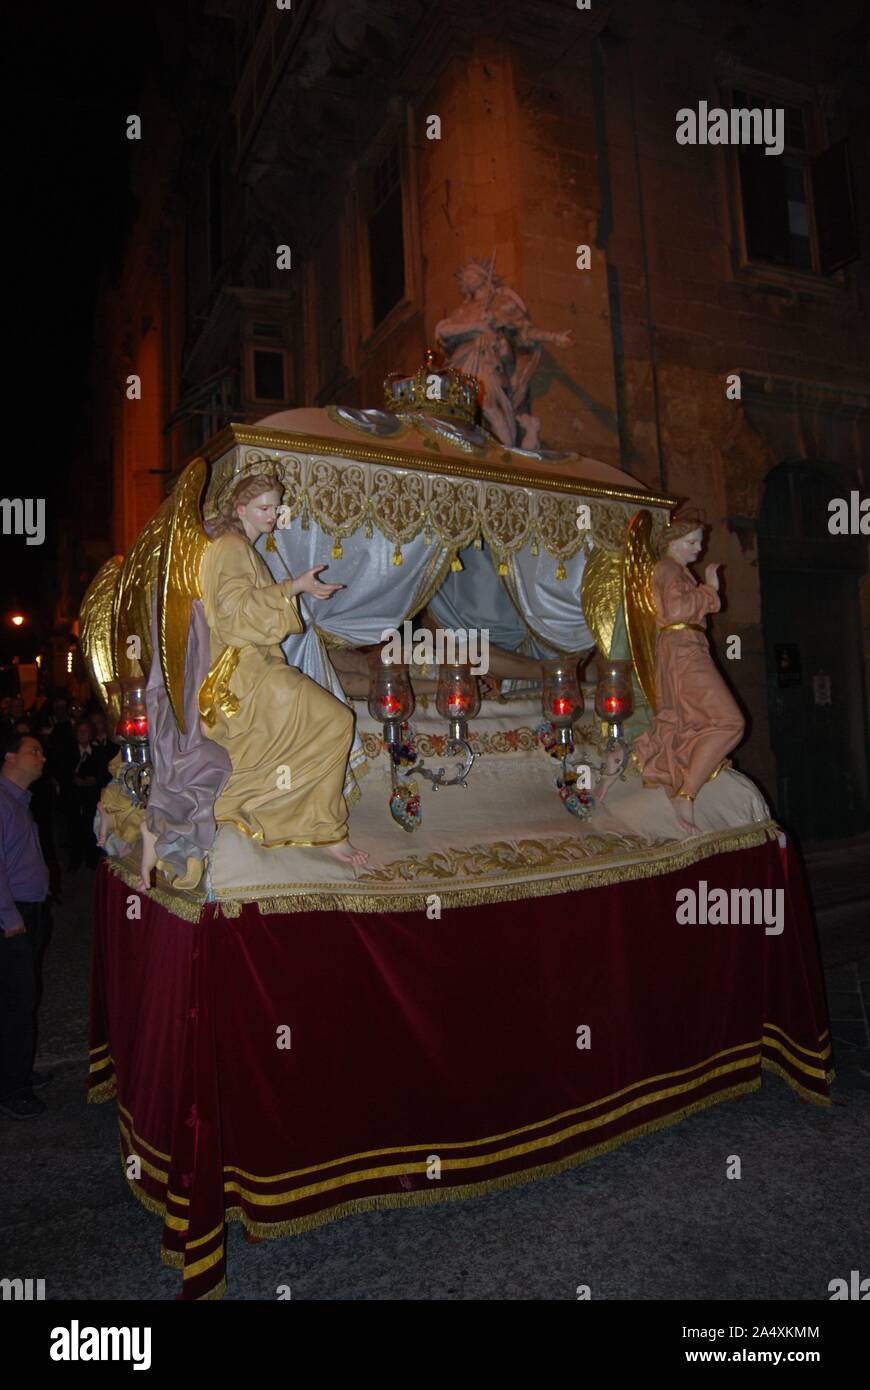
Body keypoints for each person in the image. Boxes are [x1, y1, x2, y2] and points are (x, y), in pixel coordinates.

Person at [139, 473, 367, 887]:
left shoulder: (237, 547)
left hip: (249, 667)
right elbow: (233, 614)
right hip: (241, 673)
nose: (272, 516)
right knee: (335, 721)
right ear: (240, 509)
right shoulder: (230, 548)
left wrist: (291, 592)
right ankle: (322, 826)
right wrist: (292, 588)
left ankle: (281, 817)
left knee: (315, 730)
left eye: (276, 508)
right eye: (264, 507)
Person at [627, 511, 745, 834]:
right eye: (692, 542)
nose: (699, 548)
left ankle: (631, 758)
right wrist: (710, 589)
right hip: (683, 648)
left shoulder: (676, 570)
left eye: (701, 542)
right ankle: (686, 793)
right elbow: (678, 610)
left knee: (682, 718)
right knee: (730, 722)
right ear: (672, 542)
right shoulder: (668, 568)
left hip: (685, 646)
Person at [0, 731, 53, 1119]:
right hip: (14, 916)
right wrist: (9, 916)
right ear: (9, 757)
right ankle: (12, 1088)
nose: (42, 757)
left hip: (28, 910)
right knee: (16, 1003)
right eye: (33, 750)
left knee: (24, 996)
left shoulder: (18, 801)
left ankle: (18, 1070)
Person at [68, 719, 102, 870]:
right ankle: (74, 859)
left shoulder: (97, 752)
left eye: (85, 731)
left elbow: (103, 773)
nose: (82, 734)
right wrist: (74, 779)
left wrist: (94, 780)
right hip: (74, 796)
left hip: (91, 797)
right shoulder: (68, 751)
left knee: (91, 827)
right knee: (73, 828)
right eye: (80, 731)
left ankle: (92, 859)